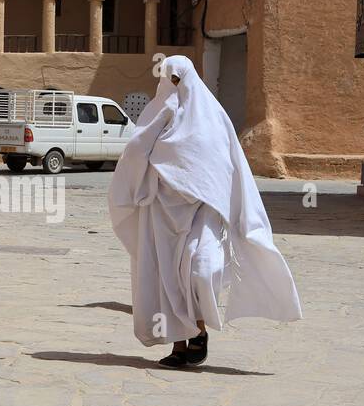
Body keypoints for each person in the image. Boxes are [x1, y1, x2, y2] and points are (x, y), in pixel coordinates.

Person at [108, 55, 302, 368]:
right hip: (161, 210)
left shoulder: (212, 117)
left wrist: (216, 195)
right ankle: (179, 344)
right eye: (168, 80)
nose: (172, 86)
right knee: (166, 277)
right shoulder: (157, 113)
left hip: (203, 210)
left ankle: (199, 329)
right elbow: (135, 153)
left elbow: (225, 163)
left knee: (200, 269)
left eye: (177, 79)